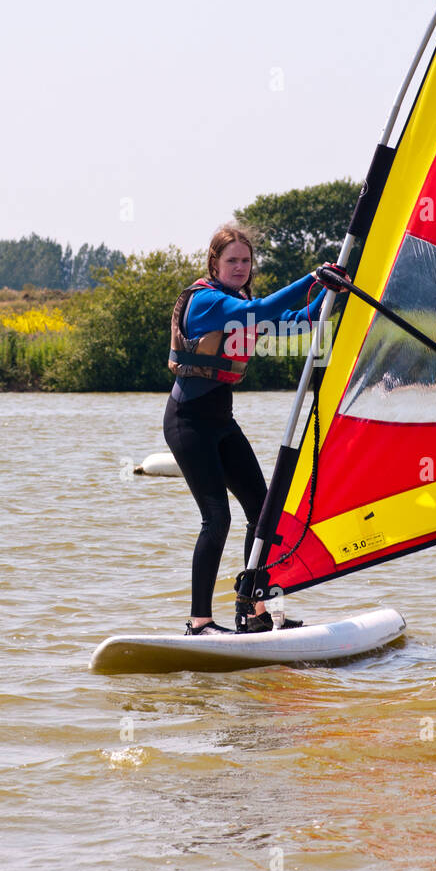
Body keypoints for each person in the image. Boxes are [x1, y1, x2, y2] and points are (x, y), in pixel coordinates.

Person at [164, 224, 348, 635]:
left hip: (222, 422)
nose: (240, 267)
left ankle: (254, 611)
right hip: (188, 422)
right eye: (232, 260)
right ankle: (199, 622)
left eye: (246, 261)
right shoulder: (206, 302)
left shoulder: (242, 300)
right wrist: (312, 277)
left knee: (262, 514)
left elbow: (301, 321)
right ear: (214, 263)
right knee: (217, 519)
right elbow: (259, 313)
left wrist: (333, 291)